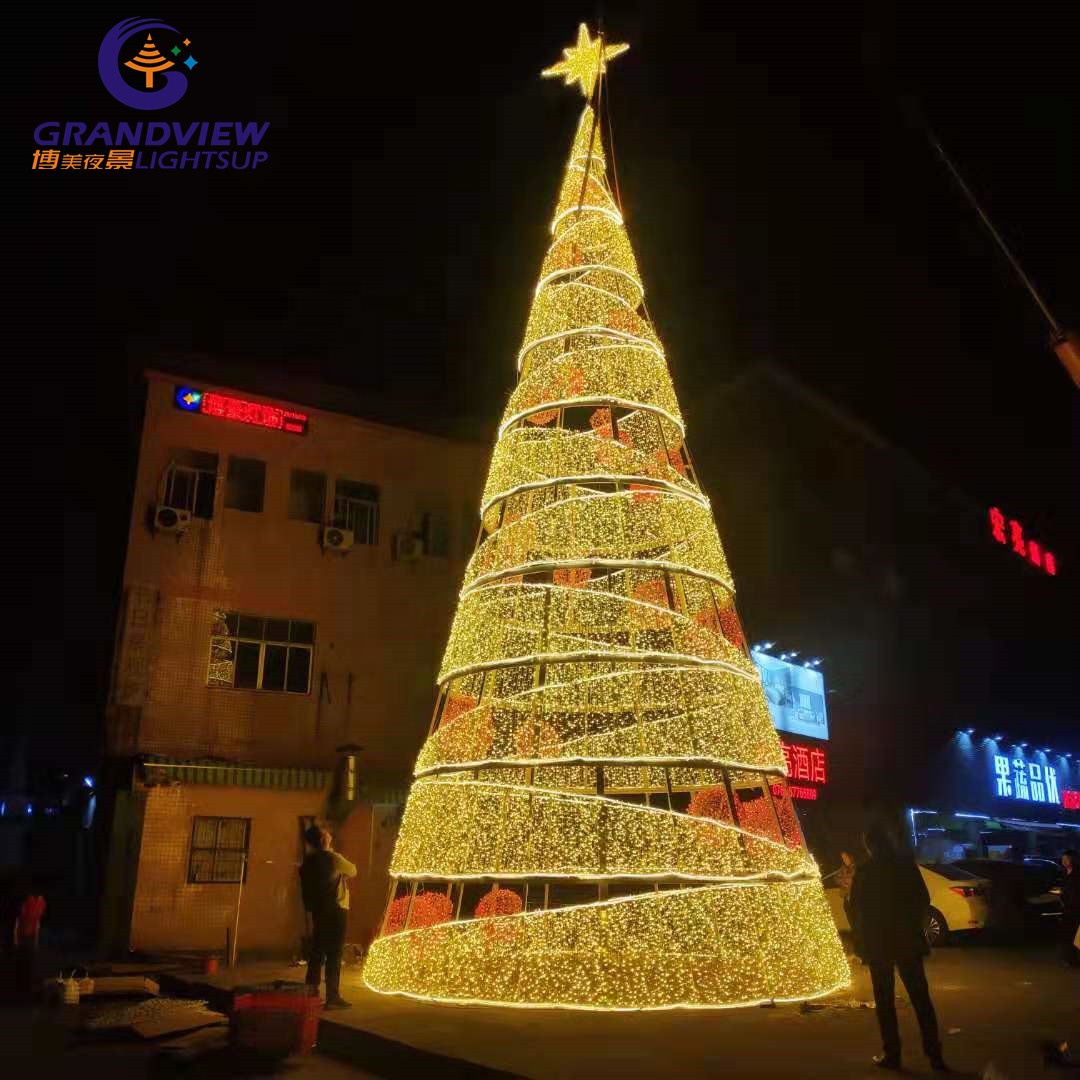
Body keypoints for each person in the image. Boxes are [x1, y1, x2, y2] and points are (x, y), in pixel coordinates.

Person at [850, 824, 947, 1072]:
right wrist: (911, 921)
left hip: (879, 944)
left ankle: (892, 1054)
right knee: (920, 999)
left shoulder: (865, 871)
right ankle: (934, 1055)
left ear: (869, 846)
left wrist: (863, 941)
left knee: (885, 1002)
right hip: (908, 942)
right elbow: (923, 899)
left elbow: (857, 909)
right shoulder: (905, 867)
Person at [299, 824, 356, 1009]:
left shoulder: (308, 862)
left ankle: (311, 992)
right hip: (337, 908)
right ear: (323, 840)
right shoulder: (333, 858)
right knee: (335, 952)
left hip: (318, 909)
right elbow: (353, 870)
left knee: (317, 951)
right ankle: (332, 996)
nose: (330, 835)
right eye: (327, 834)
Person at [13, 880, 46, 1000]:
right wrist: (16, 938)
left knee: (29, 961)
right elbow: (19, 920)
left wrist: (36, 939)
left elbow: (37, 921)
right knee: (23, 961)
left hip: (29, 936)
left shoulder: (41, 901)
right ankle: (22, 987)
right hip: (23, 935)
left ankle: (26, 987)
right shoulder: (29, 901)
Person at [1060, 850, 1080, 968]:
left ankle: (1073, 959)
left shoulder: (1077, 874)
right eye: (1063, 859)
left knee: (1072, 934)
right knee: (1067, 934)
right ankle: (1069, 958)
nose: (1064, 861)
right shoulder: (1065, 872)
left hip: (1075, 908)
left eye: (1066, 859)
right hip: (1067, 908)